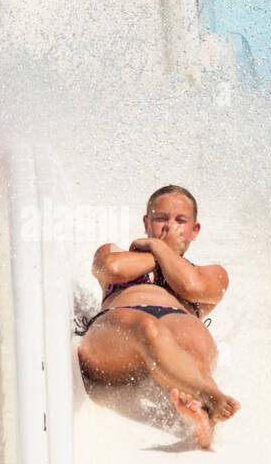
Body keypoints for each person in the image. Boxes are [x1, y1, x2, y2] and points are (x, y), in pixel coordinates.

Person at [76, 185, 240, 448]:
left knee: (194, 347)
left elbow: (191, 287)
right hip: (119, 331)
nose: (169, 227)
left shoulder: (210, 272)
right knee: (147, 327)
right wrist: (162, 249)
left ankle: (201, 422)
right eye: (161, 219)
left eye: (181, 221)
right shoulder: (113, 251)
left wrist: (159, 248)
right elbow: (113, 268)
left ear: (195, 230)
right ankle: (208, 395)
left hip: (176, 326)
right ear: (146, 222)